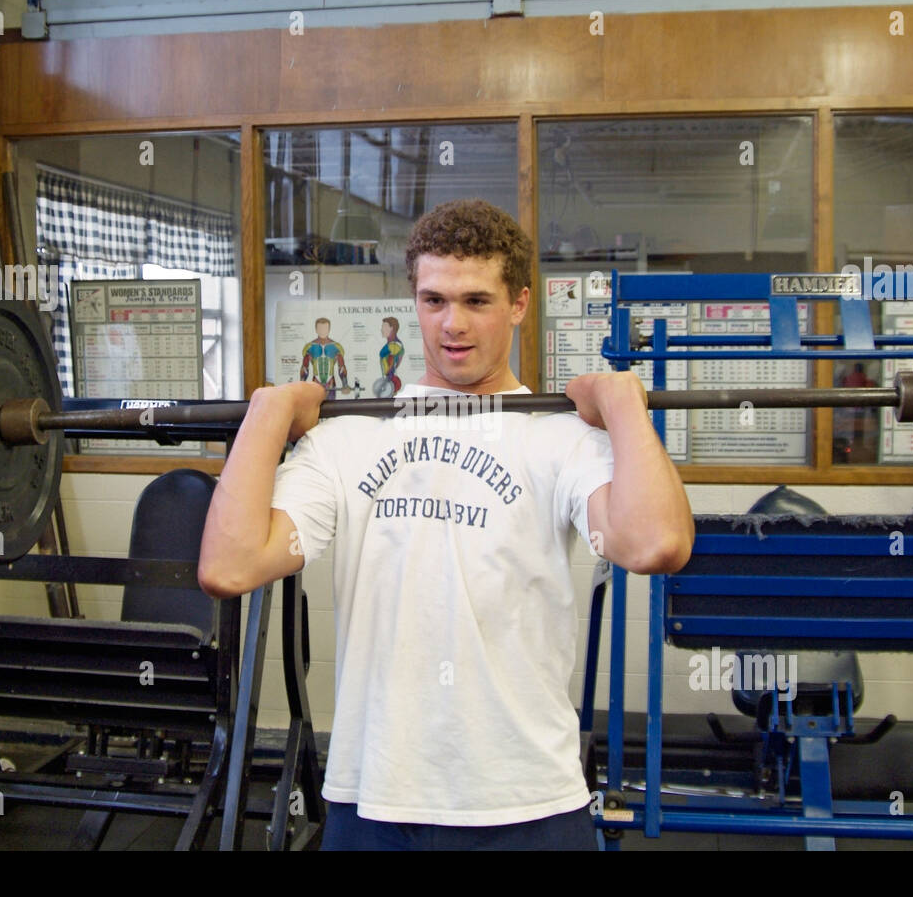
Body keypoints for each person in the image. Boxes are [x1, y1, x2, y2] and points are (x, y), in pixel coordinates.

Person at [199, 198, 693, 850]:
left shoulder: (558, 440)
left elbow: (655, 544)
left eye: (476, 301)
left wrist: (624, 406)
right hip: (372, 800)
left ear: (519, 303)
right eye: (433, 301)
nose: (452, 325)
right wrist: (267, 414)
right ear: (413, 300)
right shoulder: (350, 439)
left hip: (526, 803)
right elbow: (228, 567)